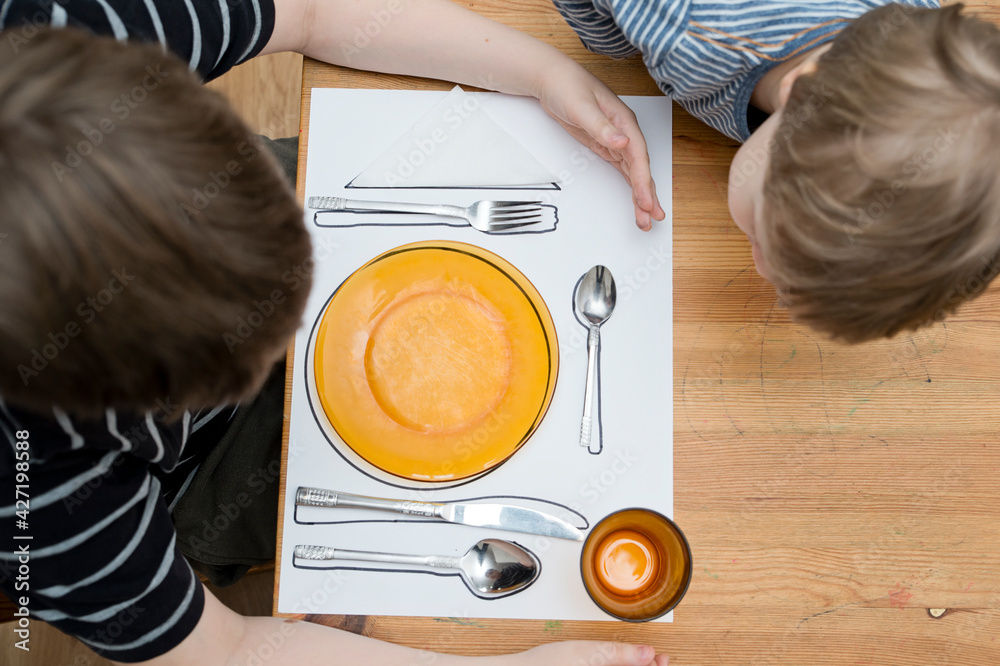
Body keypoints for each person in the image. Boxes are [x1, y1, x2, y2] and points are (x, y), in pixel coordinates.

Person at [0, 2, 669, 665]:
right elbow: (226, 651)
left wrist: (542, 73)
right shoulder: (41, 502)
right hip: (216, 458)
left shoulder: (72, 30)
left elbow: (314, 9)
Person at [553, 0, 1000, 342]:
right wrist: (608, 39)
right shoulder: (686, 29)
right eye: (761, 236)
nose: (762, 271)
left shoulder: (924, 51)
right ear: (798, 88)